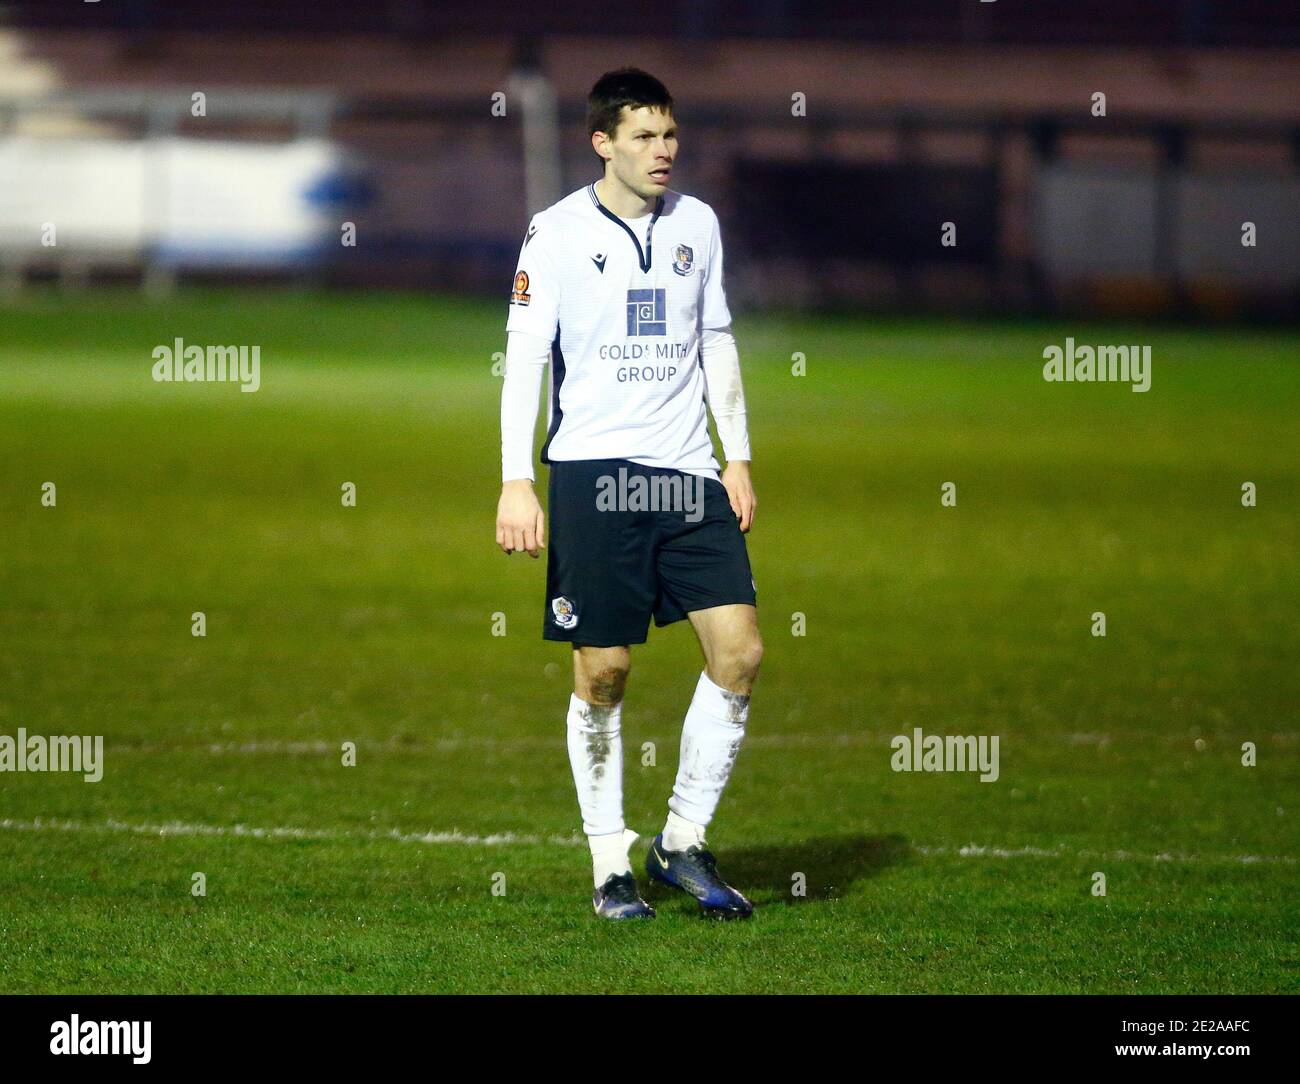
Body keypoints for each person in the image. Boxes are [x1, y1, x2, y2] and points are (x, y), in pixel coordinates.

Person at [495, 68, 761, 920]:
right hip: (593, 475)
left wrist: (738, 456)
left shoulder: (698, 225)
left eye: (670, 135)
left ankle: (681, 843)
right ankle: (611, 859)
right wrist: (515, 480)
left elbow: (714, 338)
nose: (664, 152)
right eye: (645, 137)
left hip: (687, 472)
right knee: (604, 670)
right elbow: (525, 362)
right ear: (602, 141)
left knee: (742, 652)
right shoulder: (556, 233)